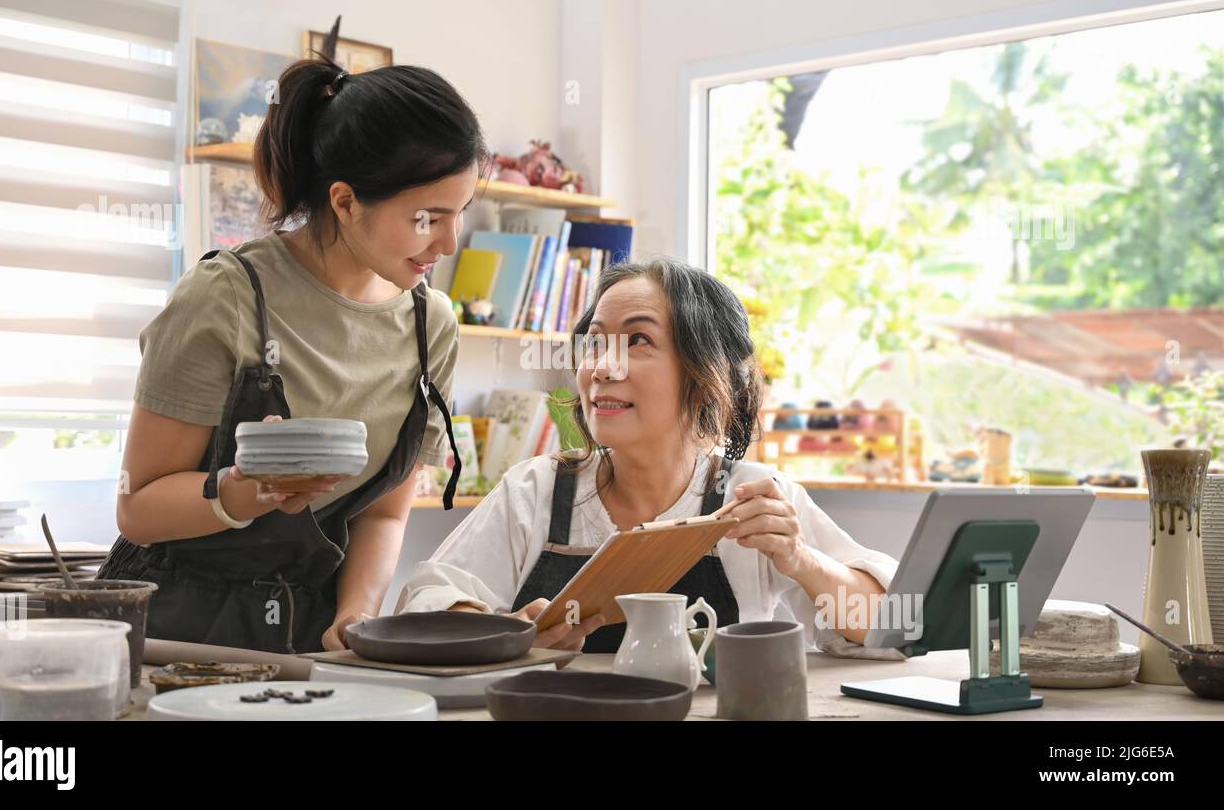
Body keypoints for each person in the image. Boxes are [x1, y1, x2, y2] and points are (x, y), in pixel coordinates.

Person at [97, 59, 488, 653]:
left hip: (308, 640)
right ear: (346, 201)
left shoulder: (429, 325)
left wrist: (356, 615)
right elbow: (138, 507)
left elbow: (382, 516)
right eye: (427, 218)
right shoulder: (224, 297)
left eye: (460, 213)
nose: (450, 242)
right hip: (175, 632)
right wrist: (242, 491)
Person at [396, 256, 900, 655]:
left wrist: (802, 560)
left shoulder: (754, 497)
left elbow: (892, 625)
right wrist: (508, 633)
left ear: (705, 376)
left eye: (638, 340)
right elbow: (424, 604)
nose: (602, 367)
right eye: (595, 343)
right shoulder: (536, 491)